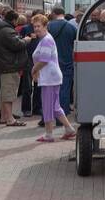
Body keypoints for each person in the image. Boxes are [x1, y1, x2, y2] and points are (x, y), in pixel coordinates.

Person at [31, 13, 77, 143]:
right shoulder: (46, 39)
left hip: (49, 78)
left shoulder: (46, 40)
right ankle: (69, 129)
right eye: (34, 26)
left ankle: (49, 134)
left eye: (38, 26)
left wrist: (34, 70)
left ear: (45, 26)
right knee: (55, 106)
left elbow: (44, 60)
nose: (36, 29)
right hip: (51, 77)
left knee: (48, 106)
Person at [0, 8, 31, 126]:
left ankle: (3, 117)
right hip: (10, 65)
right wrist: (26, 40)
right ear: (14, 20)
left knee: (4, 93)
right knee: (9, 93)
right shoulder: (7, 31)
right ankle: (10, 119)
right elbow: (17, 44)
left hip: (3, 64)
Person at [47, 6, 77, 115]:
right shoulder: (71, 27)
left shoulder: (49, 26)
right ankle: (63, 113)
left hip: (51, 62)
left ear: (54, 13)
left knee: (50, 90)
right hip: (67, 62)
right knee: (64, 89)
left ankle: (48, 114)